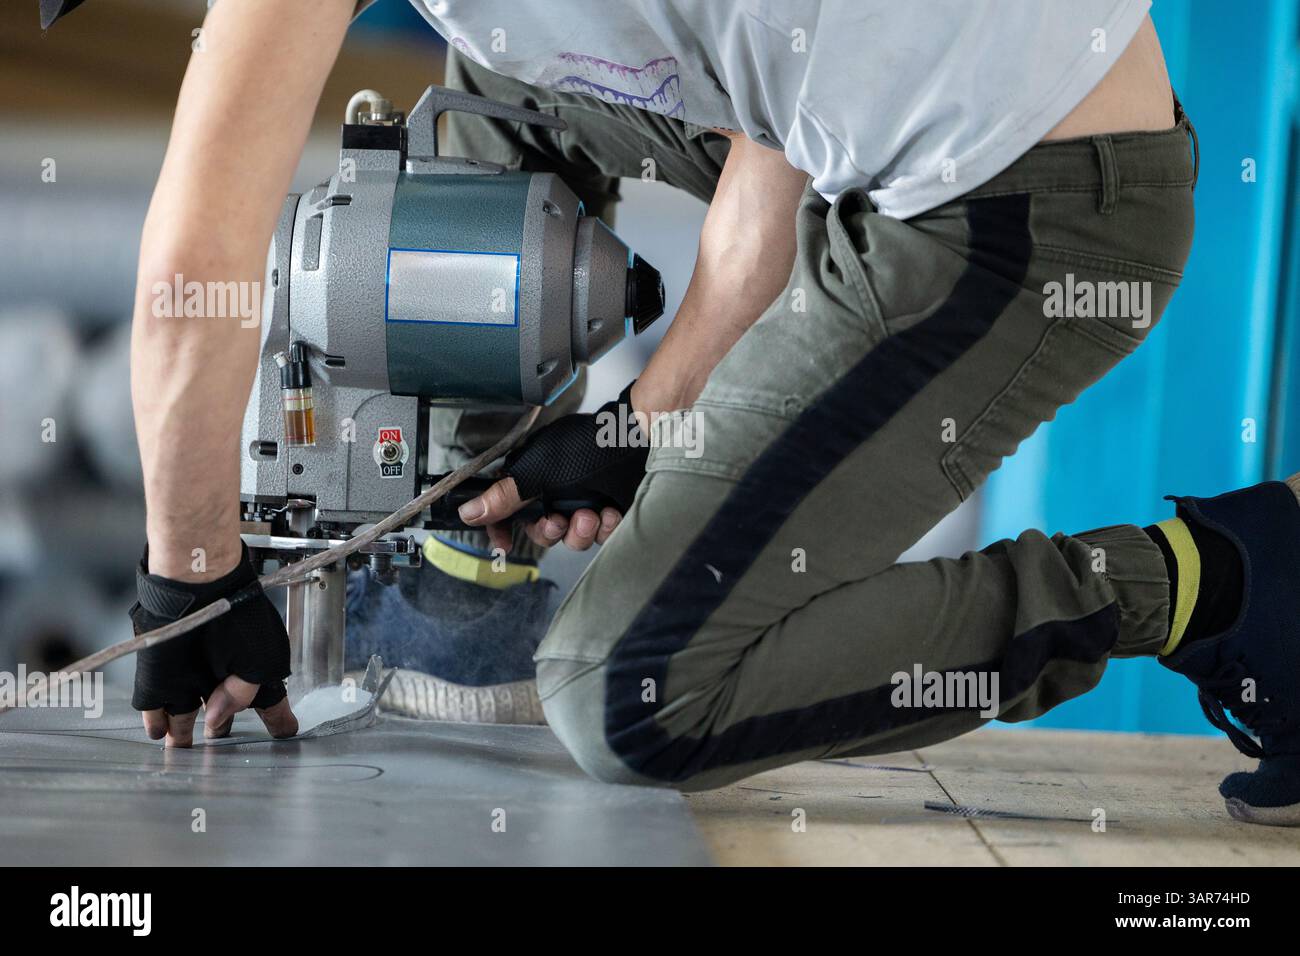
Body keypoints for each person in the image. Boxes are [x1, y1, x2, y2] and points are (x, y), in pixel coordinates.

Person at [45, 0, 1298, 825]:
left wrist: (187, 578)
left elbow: (187, 273)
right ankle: (454, 585)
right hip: (920, 125)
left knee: (633, 696)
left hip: (1035, 207)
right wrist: (648, 414)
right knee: (490, 94)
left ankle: (1215, 579)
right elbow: (774, 82)